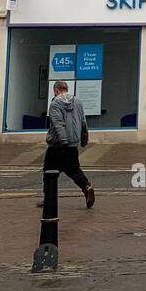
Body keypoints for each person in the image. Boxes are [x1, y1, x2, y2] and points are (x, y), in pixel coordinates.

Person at [45, 80, 95, 208]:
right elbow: (83, 122)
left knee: (49, 171)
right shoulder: (78, 102)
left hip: (58, 145)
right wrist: (84, 139)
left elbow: (58, 124)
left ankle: (48, 198)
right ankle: (86, 186)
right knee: (73, 169)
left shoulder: (55, 103)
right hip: (73, 144)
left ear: (56, 91)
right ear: (66, 89)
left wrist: (64, 142)